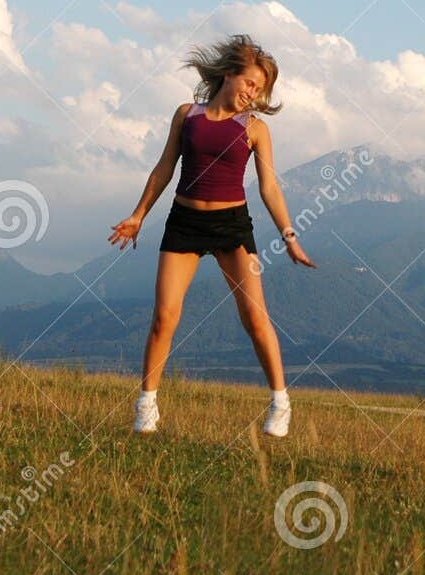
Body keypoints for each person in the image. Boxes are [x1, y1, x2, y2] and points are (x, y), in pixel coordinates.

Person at [109, 34, 315, 438]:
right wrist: (138, 215)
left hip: (232, 227)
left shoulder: (255, 129)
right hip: (183, 224)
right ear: (228, 75)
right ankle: (146, 405)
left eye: (260, 89)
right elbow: (164, 168)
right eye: (250, 83)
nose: (253, 94)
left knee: (255, 317)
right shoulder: (187, 115)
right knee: (163, 318)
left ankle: (280, 403)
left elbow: (269, 188)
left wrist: (289, 235)